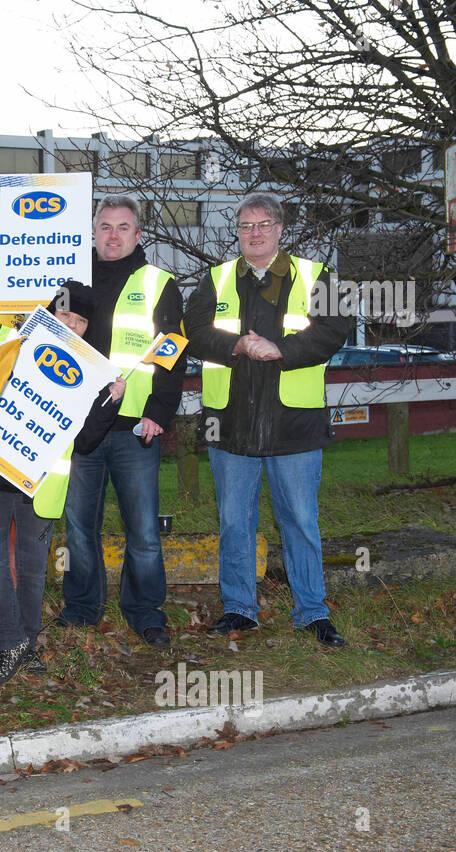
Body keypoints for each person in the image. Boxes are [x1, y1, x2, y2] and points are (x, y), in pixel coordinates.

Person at [182, 191, 349, 648]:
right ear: (237, 232)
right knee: (235, 522)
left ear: (280, 229)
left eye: (264, 225)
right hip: (230, 426)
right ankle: (239, 609)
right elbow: (192, 333)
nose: (254, 233)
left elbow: (335, 329)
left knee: (300, 520)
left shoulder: (316, 276)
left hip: (293, 426)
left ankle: (312, 612)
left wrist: (283, 350)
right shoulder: (215, 279)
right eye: (246, 226)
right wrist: (235, 345)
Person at [0, 283, 125, 685]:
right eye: (65, 315)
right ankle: (12, 643)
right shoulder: (13, 344)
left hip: (42, 484)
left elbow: (88, 440)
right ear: (50, 313)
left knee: (33, 569)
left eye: (80, 321)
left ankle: (26, 646)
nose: (71, 325)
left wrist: (112, 401)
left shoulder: (93, 373)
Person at [57, 196, 185, 648]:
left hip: (135, 427)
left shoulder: (159, 284)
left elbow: (173, 352)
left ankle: (145, 612)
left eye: (123, 227)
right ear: (94, 232)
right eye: (105, 226)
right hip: (79, 426)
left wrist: (159, 413)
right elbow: (48, 344)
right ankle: (81, 608)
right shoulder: (71, 283)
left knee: (144, 531)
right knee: (78, 528)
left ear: (138, 234)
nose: (113, 235)